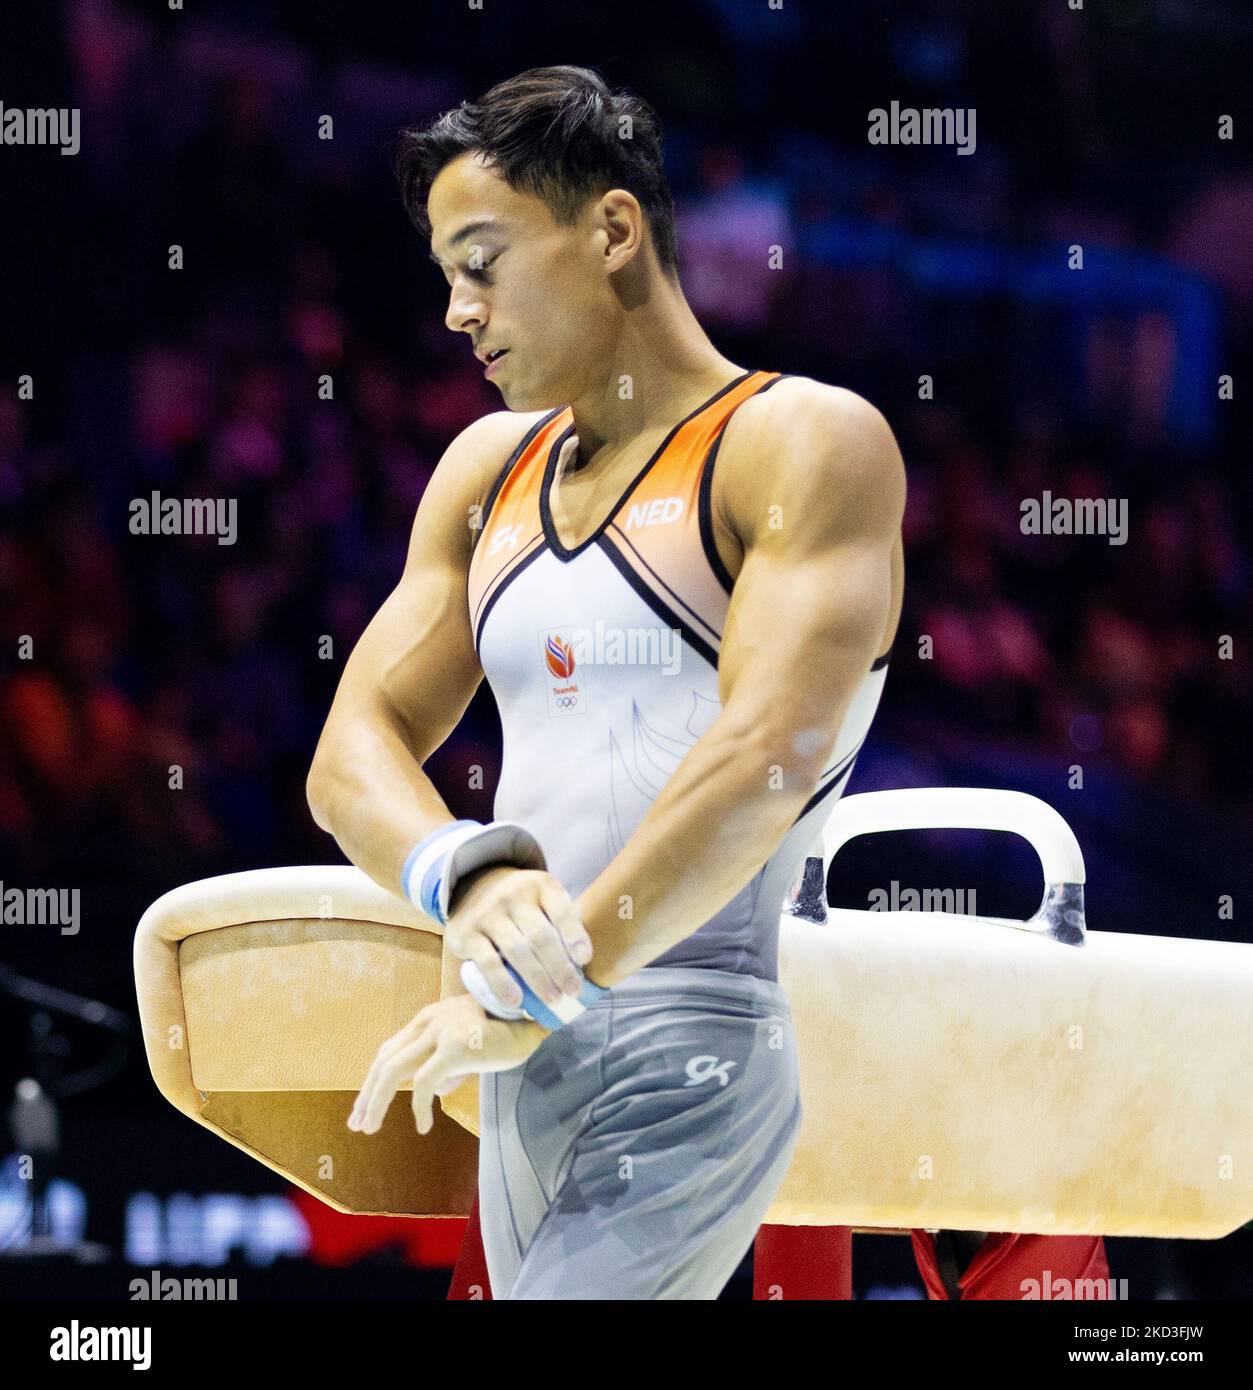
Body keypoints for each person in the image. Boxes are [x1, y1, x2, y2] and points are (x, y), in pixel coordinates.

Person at [309, 64, 1098, 1300]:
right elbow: (349, 751)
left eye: (481, 260)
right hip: (519, 1049)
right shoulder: (483, 473)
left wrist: (540, 974)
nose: (457, 311)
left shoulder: (797, 443)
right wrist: (460, 876)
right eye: (444, 278)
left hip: (687, 1033)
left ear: (612, 230)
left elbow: (764, 756)